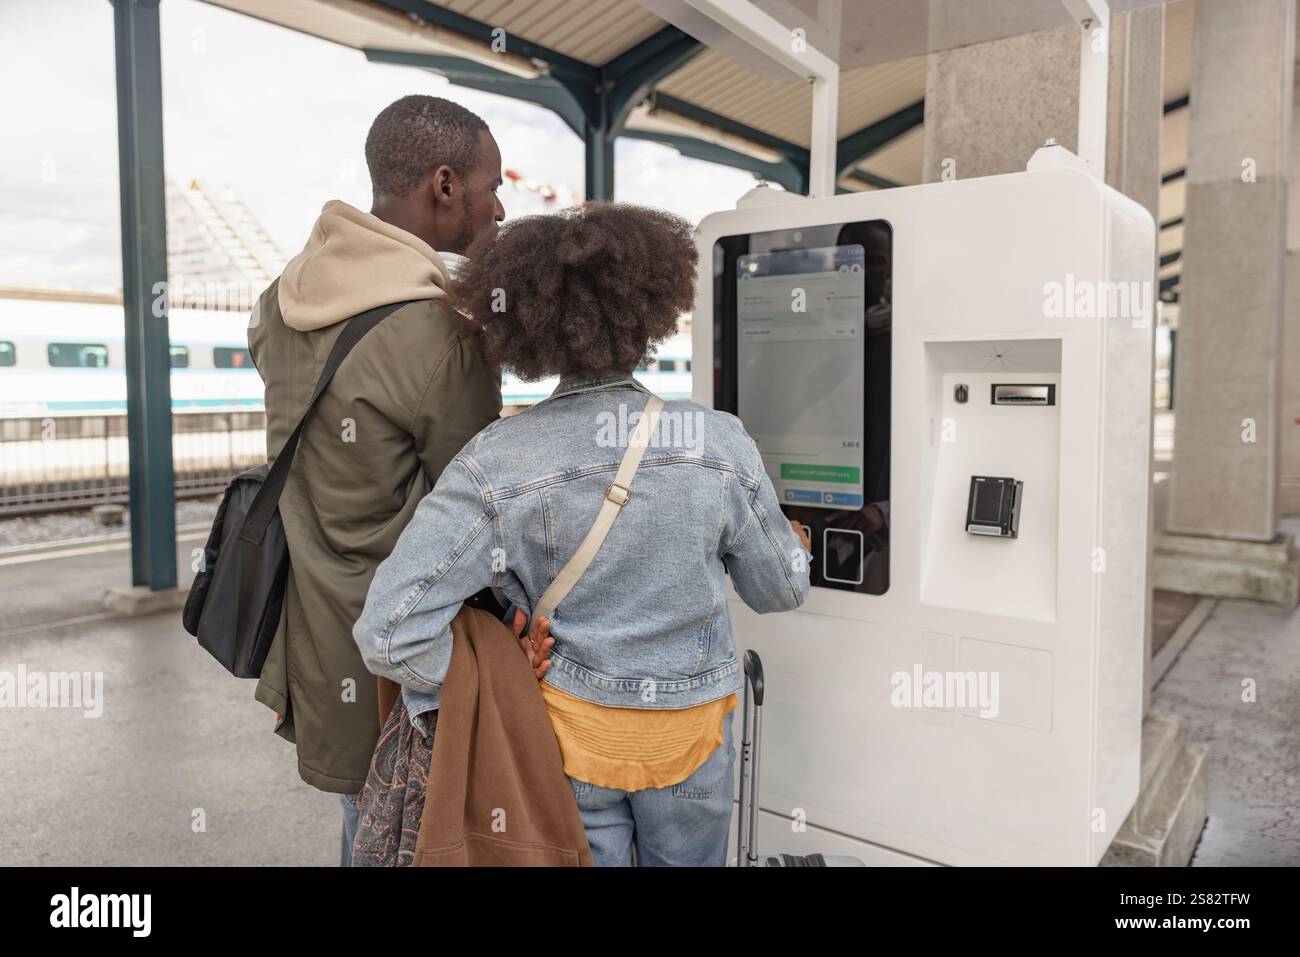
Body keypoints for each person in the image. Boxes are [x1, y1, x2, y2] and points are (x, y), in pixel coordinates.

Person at [353, 203, 812, 866]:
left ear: (526, 325)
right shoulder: (717, 442)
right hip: (693, 739)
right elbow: (782, 590)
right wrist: (790, 546)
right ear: (650, 312)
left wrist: (496, 671)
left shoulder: (496, 460)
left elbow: (388, 632)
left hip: (570, 743)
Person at [246, 95, 508, 866]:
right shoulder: (440, 333)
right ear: (445, 184)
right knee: (407, 832)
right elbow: (481, 513)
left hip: (314, 633)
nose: (500, 203)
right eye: (491, 184)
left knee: (364, 819)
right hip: (407, 649)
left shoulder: (282, 299)